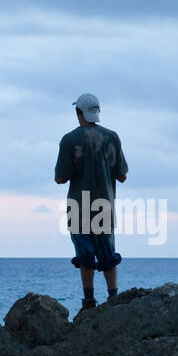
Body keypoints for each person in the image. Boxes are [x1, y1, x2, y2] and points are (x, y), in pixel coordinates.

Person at [54, 93, 128, 309]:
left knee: (84, 253)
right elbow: (122, 175)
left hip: (79, 205)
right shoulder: (111, 137)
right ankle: (113, 296)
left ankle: (89, 300)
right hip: (105, 202)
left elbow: (60, 178)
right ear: (98, 112)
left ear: (78, 112)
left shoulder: (69, 140)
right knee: (107, 251)